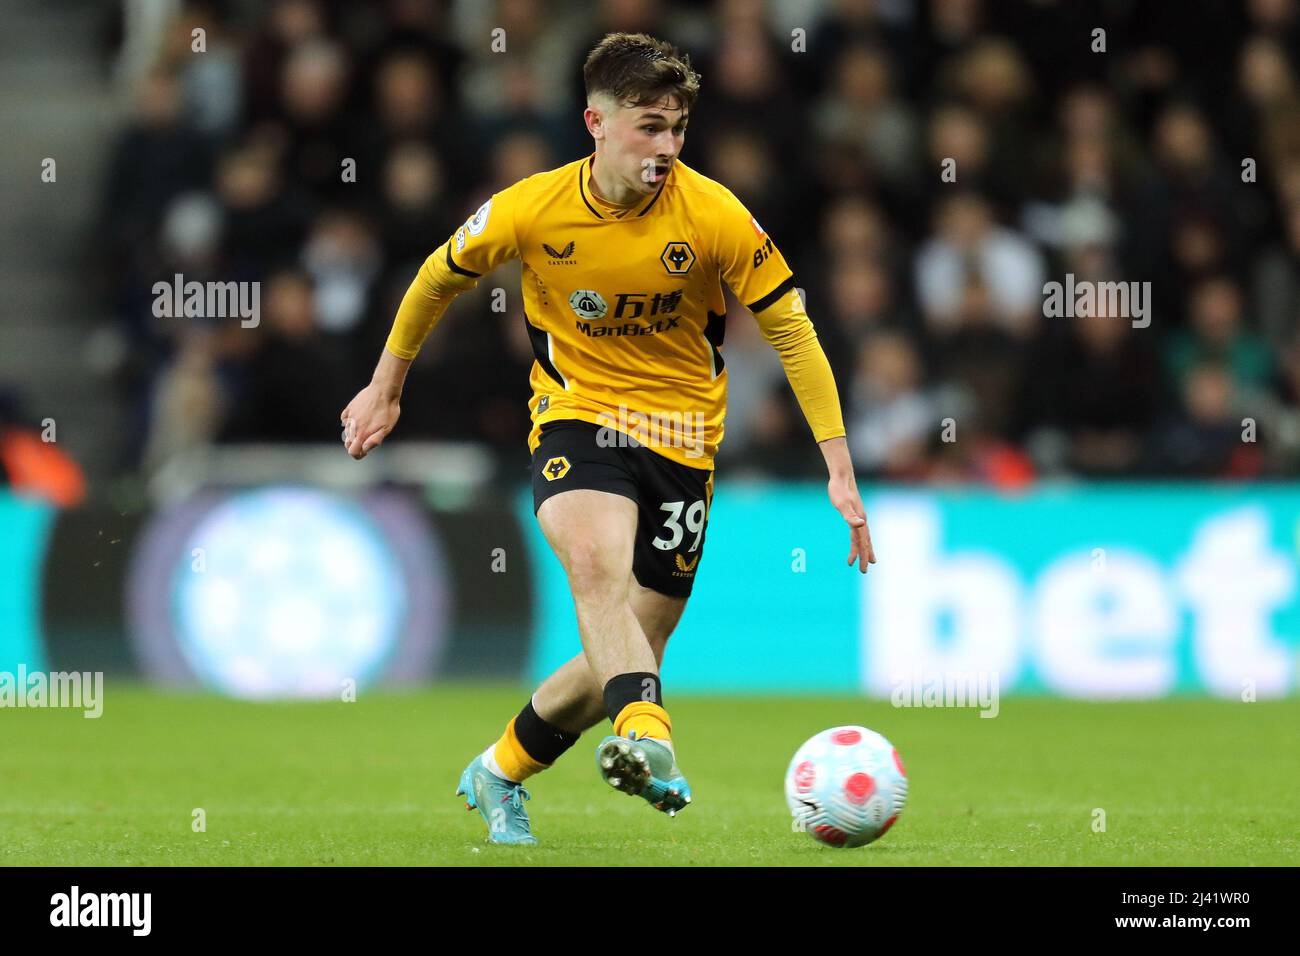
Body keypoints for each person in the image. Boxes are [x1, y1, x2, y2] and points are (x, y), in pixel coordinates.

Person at [339, 32, 875, 845]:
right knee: (597, 573)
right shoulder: (532, 208)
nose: (666, 147)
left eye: (678, 128)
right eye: (648, 126)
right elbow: (436, 276)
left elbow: (794, 332)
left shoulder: (714, 213)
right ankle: (651, 740)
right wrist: (386, 386)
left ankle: (499, 771)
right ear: (596, 121)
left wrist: (840, 468)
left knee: (627, 647)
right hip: (577, 418)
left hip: (685, 442)